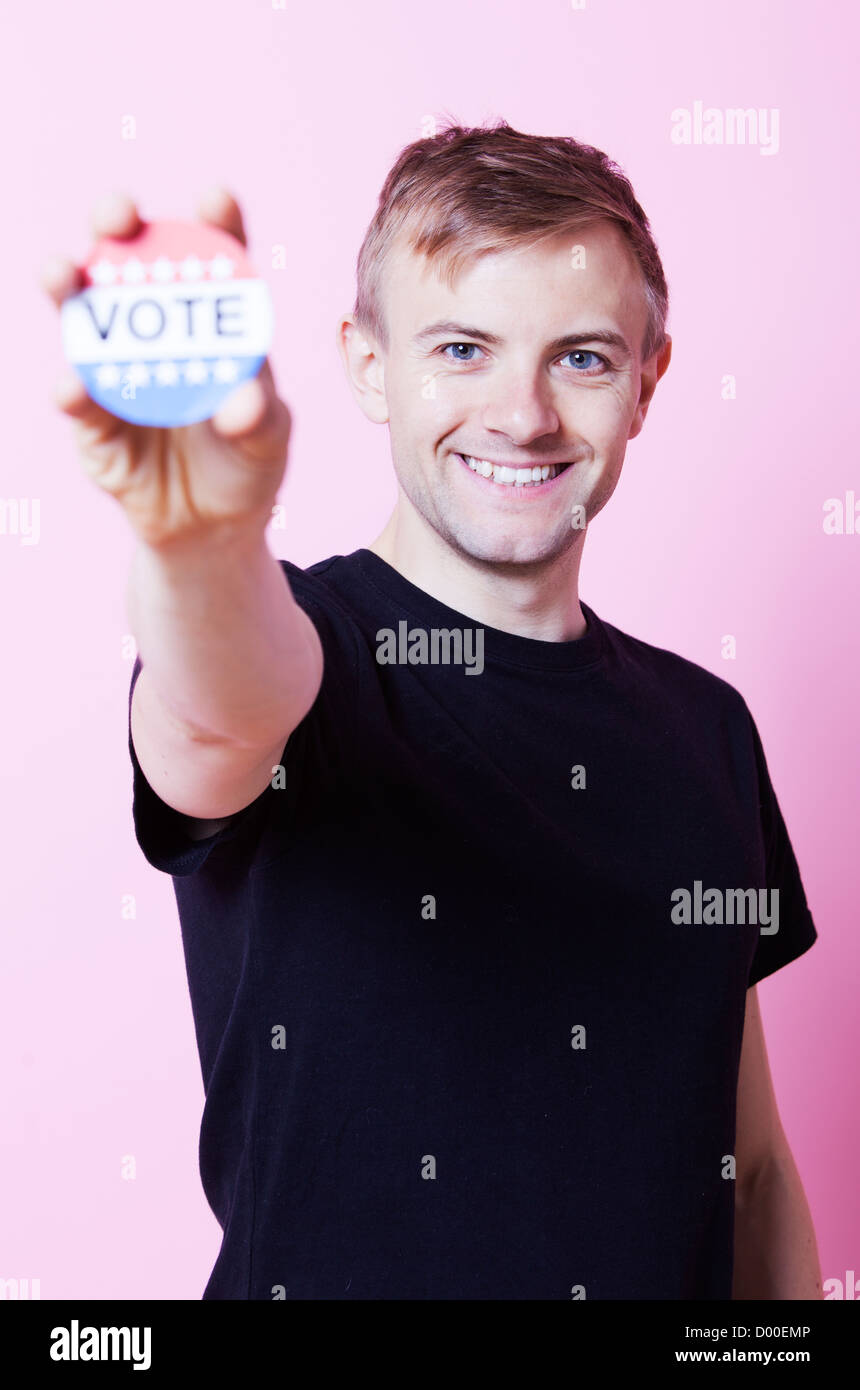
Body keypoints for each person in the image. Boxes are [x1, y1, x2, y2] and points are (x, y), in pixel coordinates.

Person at [41, 120, 821, 1300]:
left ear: (648, 382)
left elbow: (749, 1169)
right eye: (461, 347)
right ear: (366, 365)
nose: (522, 414)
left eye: (582, 358)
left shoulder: (708, 724)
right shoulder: (306, 653)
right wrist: (198, 539)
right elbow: (214, 714)